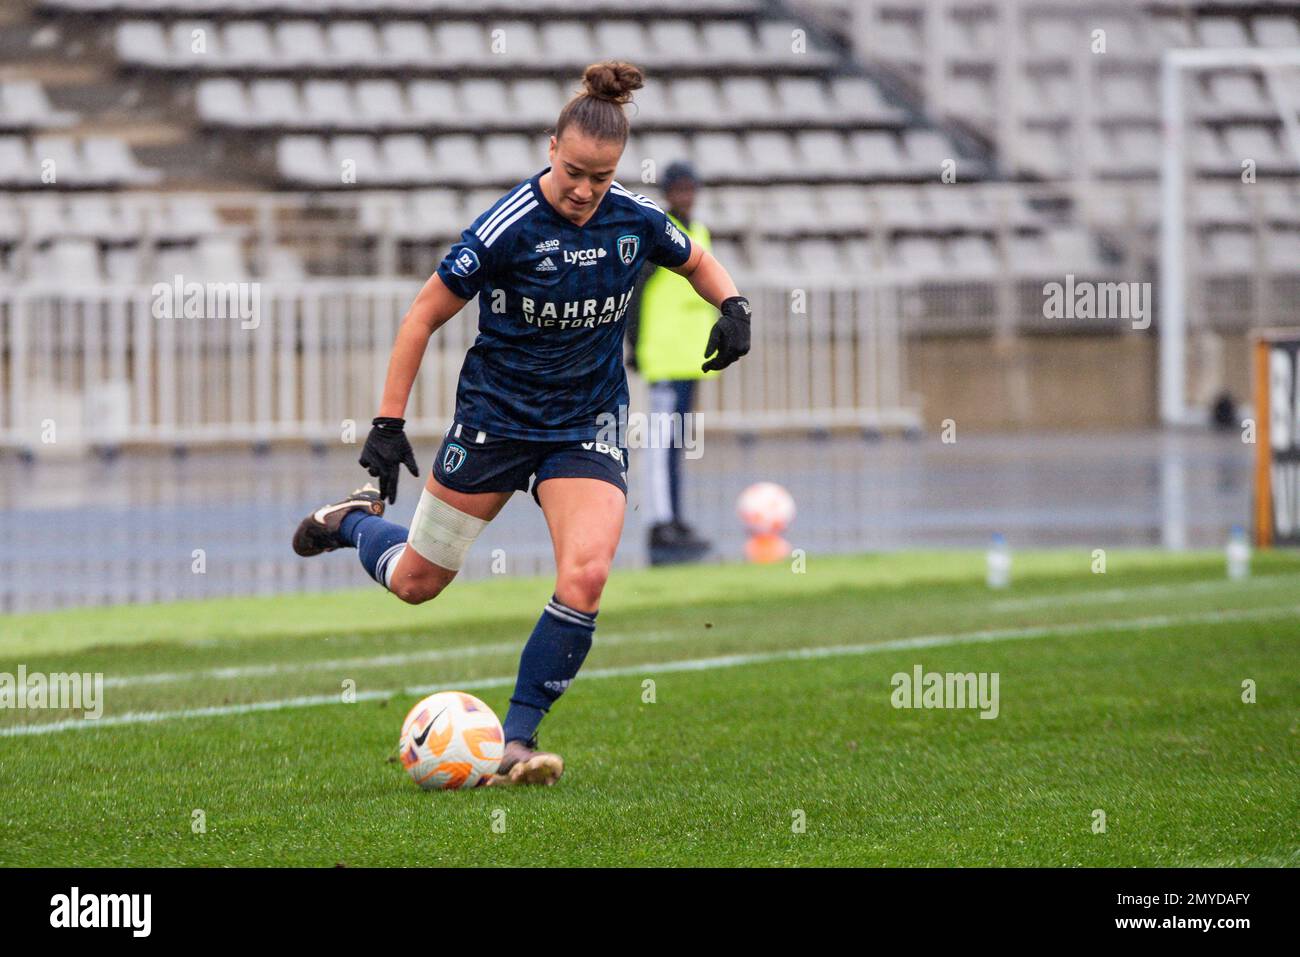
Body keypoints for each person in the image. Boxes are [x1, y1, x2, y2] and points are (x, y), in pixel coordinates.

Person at [291, 61, 751, 786]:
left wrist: (735, 307)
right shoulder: (506, 226)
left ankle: (515, 740)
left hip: (585, 423)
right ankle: (350, 520)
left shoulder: (632, 219)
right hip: (495, 422)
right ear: (550, 149)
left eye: (601, 177)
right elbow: (422, 315)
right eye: (573, 171)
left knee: (588, 574)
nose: (584, 189)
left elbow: (696, 259)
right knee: (416, 581)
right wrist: (387, 423)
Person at [625, 160, 716, 560]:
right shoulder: (660, 235)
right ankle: (660, 523)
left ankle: (675, 517)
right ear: (667, 193)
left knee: (678, 445)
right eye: (678, 189)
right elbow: (636, 293)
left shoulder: (698, 232)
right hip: (661, 357)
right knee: (661, 446)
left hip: (689, 358)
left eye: (689, 188)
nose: (685, 196)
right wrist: (633, 345)